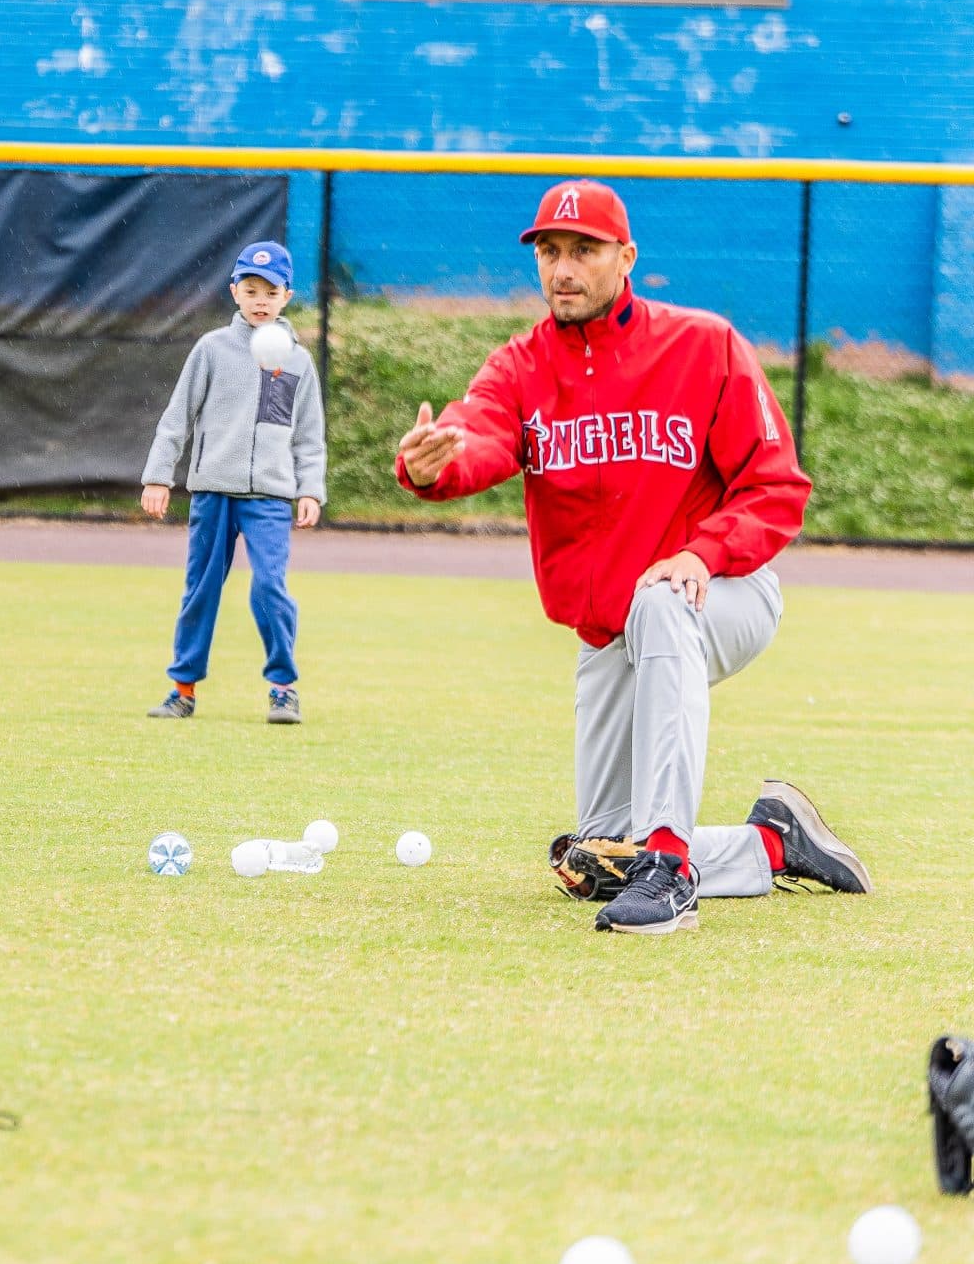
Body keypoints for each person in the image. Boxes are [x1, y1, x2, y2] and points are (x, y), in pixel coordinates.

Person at [393, 179, 871, 934]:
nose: (563, 269)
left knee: (660, 605)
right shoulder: (522, 367)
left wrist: (705, 553)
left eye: (584, 250)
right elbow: (480, 432)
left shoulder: (701, 346)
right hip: (610, 631)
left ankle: (672, 868)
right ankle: (773, 845)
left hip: (725, 593)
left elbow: (778, 487)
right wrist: (436, 467)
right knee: (599, 855)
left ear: (627, 257)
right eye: (550, 251)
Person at [140, 241, 328, 724]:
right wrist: (159, 476)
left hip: (269, 496)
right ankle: (183, 689)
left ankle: (282, 688)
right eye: (251, 289)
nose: (260, 299)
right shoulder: (211, 350)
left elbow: (309, 437)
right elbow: (177, 418)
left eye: (271, 291)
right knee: (200, 588)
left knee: (270, 588)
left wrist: (310, 489)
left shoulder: (298, 362)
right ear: (234, 293)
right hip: (213, 490)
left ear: (287, 295)